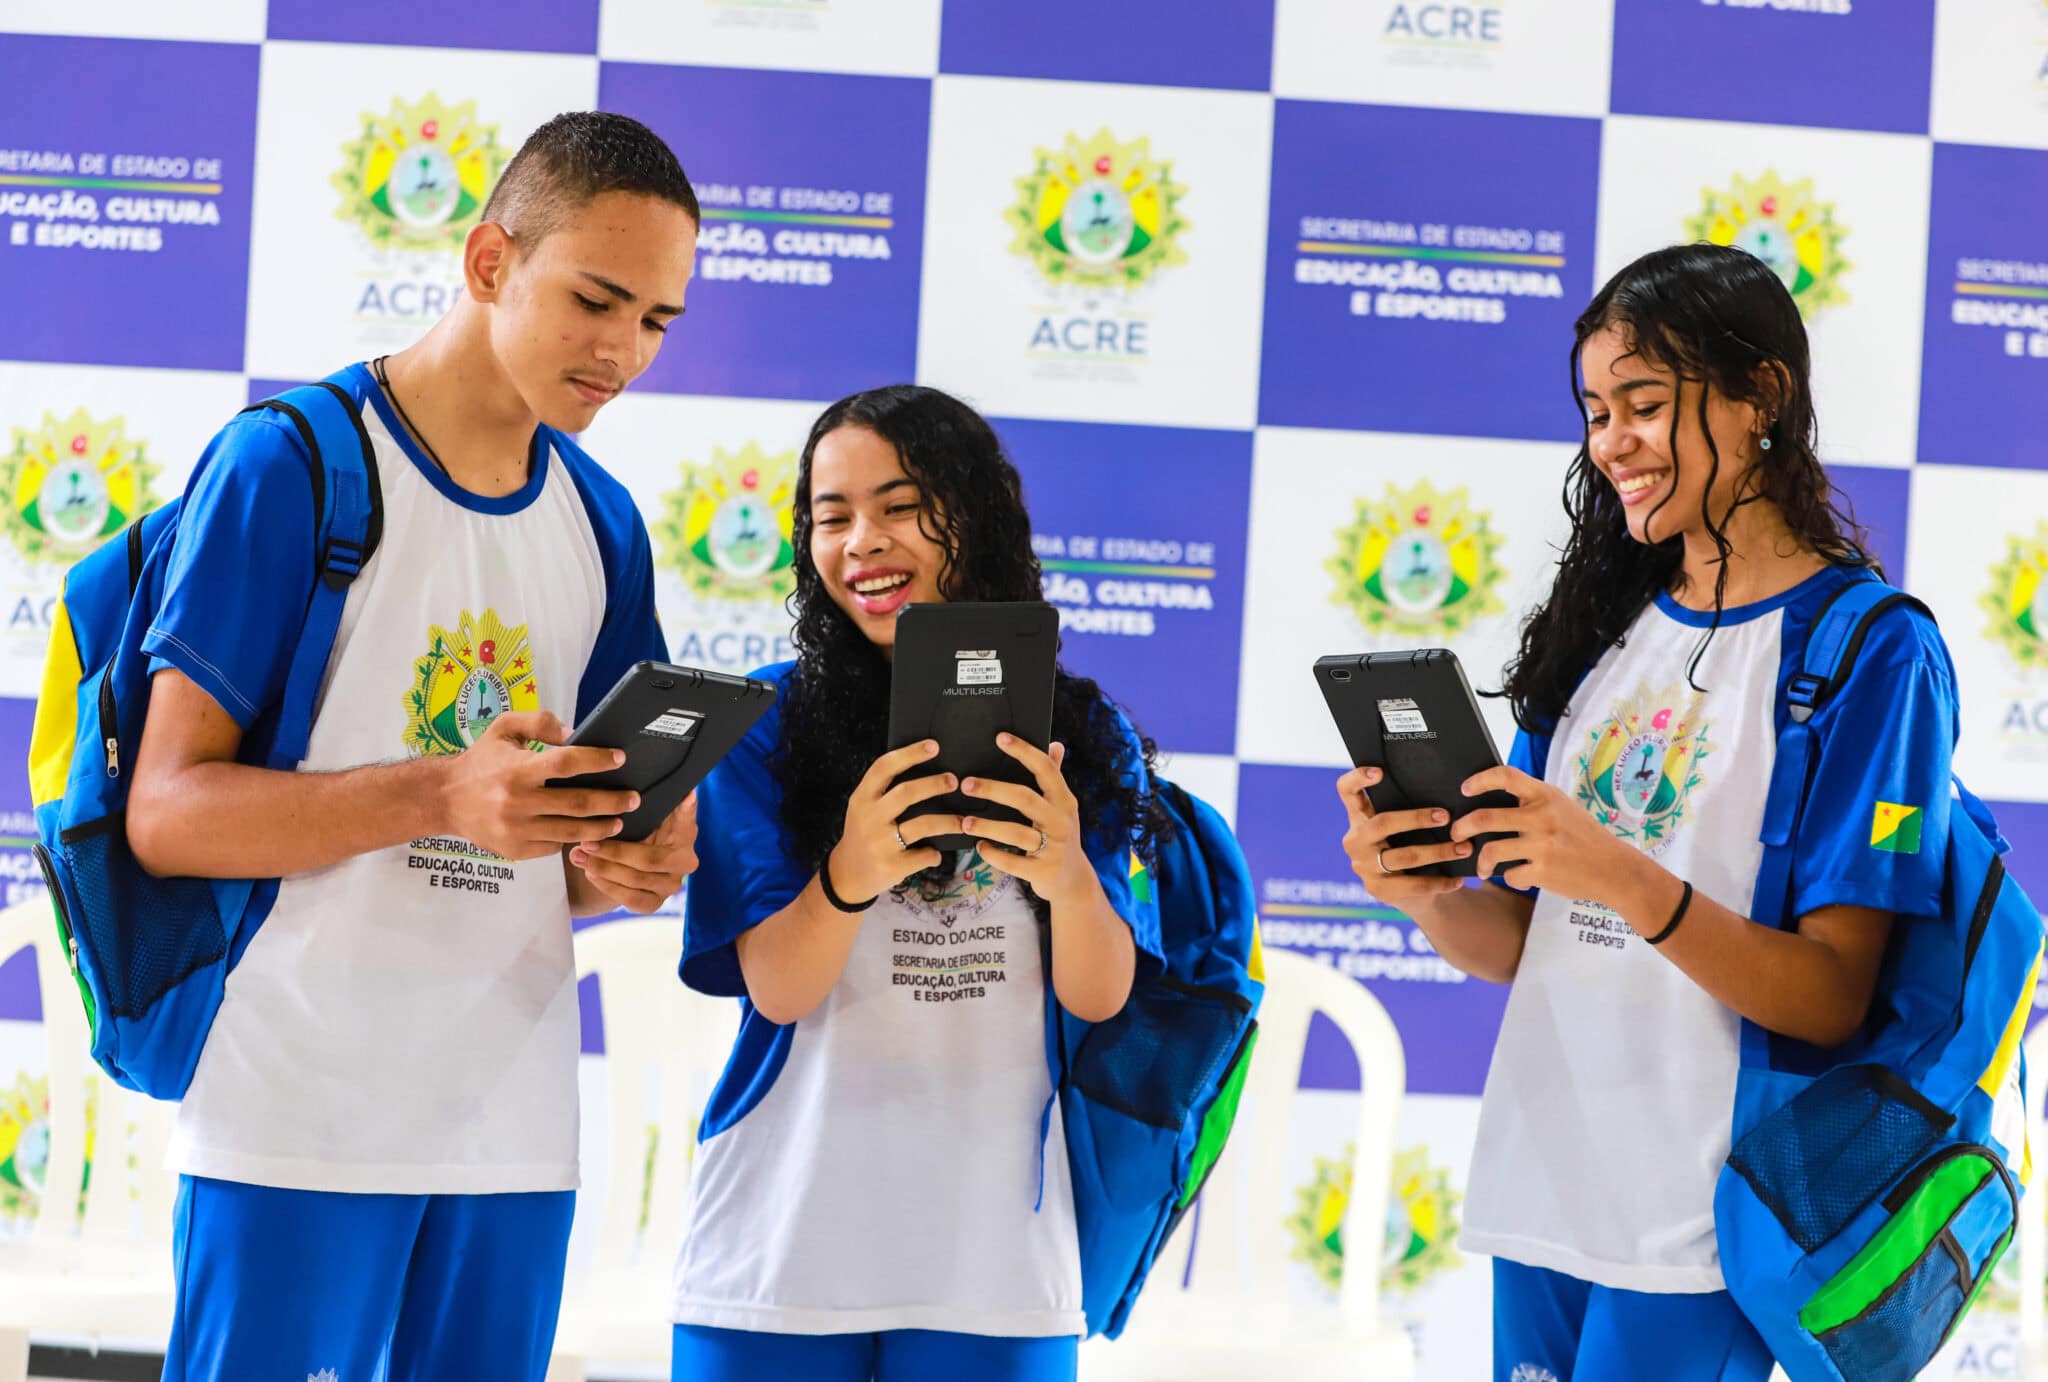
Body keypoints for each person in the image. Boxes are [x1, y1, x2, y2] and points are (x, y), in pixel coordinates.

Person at [125, 111, 703, 1381]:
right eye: (596, 299)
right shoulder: (292, 464)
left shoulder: (602, 521)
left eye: (656, 320)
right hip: (292, 1111)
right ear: (490, 261)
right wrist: (446, 788)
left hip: (510, 1122)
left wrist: (623, 857)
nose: (622, 351)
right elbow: (167, 812)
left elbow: (562, 851)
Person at [1336, 242, 1963, 1380]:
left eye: (1640, 403)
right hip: (1540, 1186)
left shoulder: (1869, 650)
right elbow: (1523, 941)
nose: (1608, 442)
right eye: (1591, 410)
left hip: (1699, 1227)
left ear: (1757, 397)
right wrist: (1422, 894)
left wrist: (1617, 870)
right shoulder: (1600, 627)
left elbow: (1826, 996)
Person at [669, 384, 1165, 1382]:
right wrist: (852, 866)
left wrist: (1064, 871)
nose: (862, 541)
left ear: (970, 515)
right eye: (831, 515)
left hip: (994, 1259)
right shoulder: (761, 722)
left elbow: (1101, 993)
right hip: (779, 1246)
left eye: (899, 507)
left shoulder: (1083, 729)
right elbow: (779, 986)